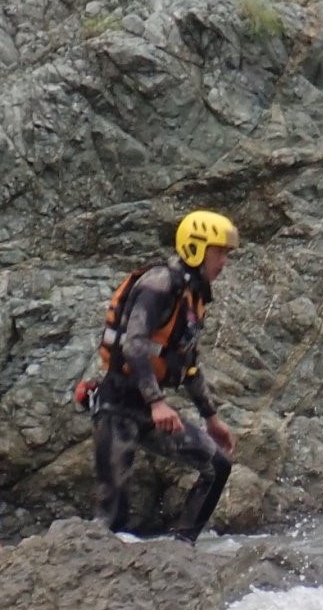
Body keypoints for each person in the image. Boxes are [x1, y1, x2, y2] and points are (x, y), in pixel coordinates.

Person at [78, 210, 240, 543]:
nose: (224, 261)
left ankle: (181, 549)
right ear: (196, 248)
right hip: (117, 405)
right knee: (114, 519)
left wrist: (211, 417)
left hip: (151, 410)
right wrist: (157, 403)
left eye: (227, 253)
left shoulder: (194, 296)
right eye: (219, 251)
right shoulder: (159, 284)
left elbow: (188, 364)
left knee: (218, 464)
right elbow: (133, 345)